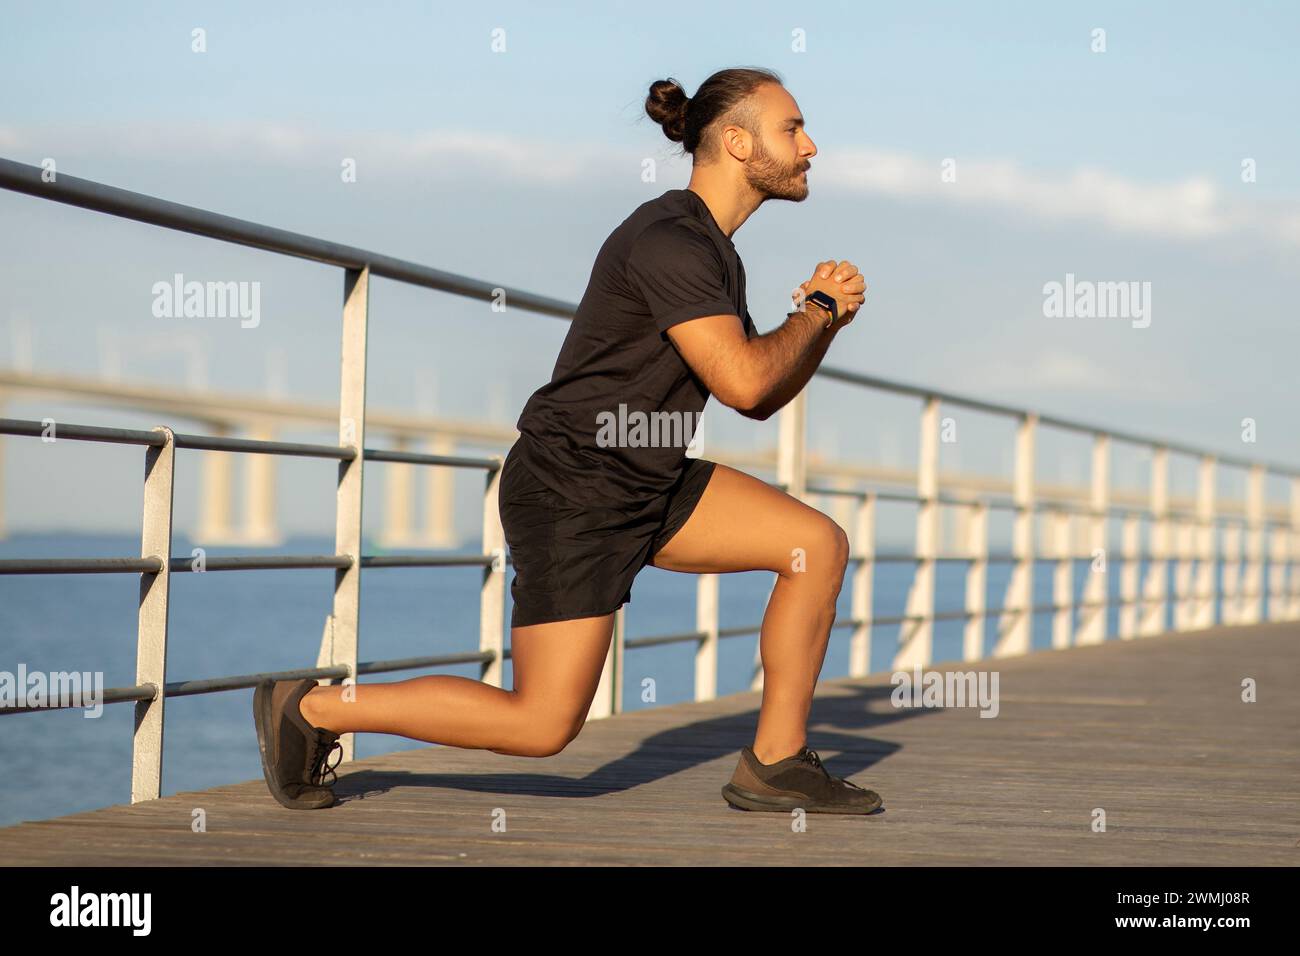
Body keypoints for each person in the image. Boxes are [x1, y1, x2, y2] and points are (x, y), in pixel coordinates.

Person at [253, 65, 878, 815]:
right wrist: (814, 310)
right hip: (572, 487)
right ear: (738, 142)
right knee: (541, 725)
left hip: (648, 475)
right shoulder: (669, 240)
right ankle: (311, 708)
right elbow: (746, 383)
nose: (811, 145)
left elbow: (760, 396)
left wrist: (820, 322)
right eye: (793, 129)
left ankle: (774, 764)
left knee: (815, 545)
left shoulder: (714, 249)